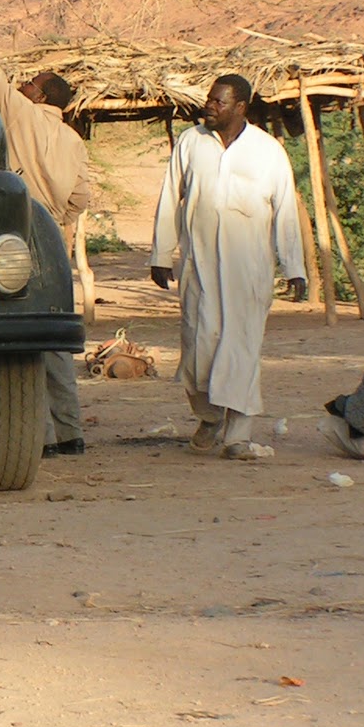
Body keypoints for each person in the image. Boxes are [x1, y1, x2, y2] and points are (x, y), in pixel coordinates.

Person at [150, 75, 307, 460]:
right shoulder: (191, 142)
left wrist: (294, 267)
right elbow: (171, 197)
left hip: (248, 270)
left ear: (241, 107)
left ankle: (238, 436)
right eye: (209, 100)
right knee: (198, 347)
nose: (209, 106)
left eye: (219, 102)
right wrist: (160, 254)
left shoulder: (267, 151)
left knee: (241, 349)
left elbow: (286, 211)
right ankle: (208, 417)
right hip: (198, 266)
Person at [0, 37, 91, 458]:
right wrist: (60, 217)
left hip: (17, 236)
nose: (23, 87)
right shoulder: (73, 141)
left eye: (31, 84)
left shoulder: (21, 115)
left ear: (40, 95)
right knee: (55, 337)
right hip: (55, 243)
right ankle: (70, 431)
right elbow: (81, 198)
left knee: (22, 338)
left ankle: (38, 435)